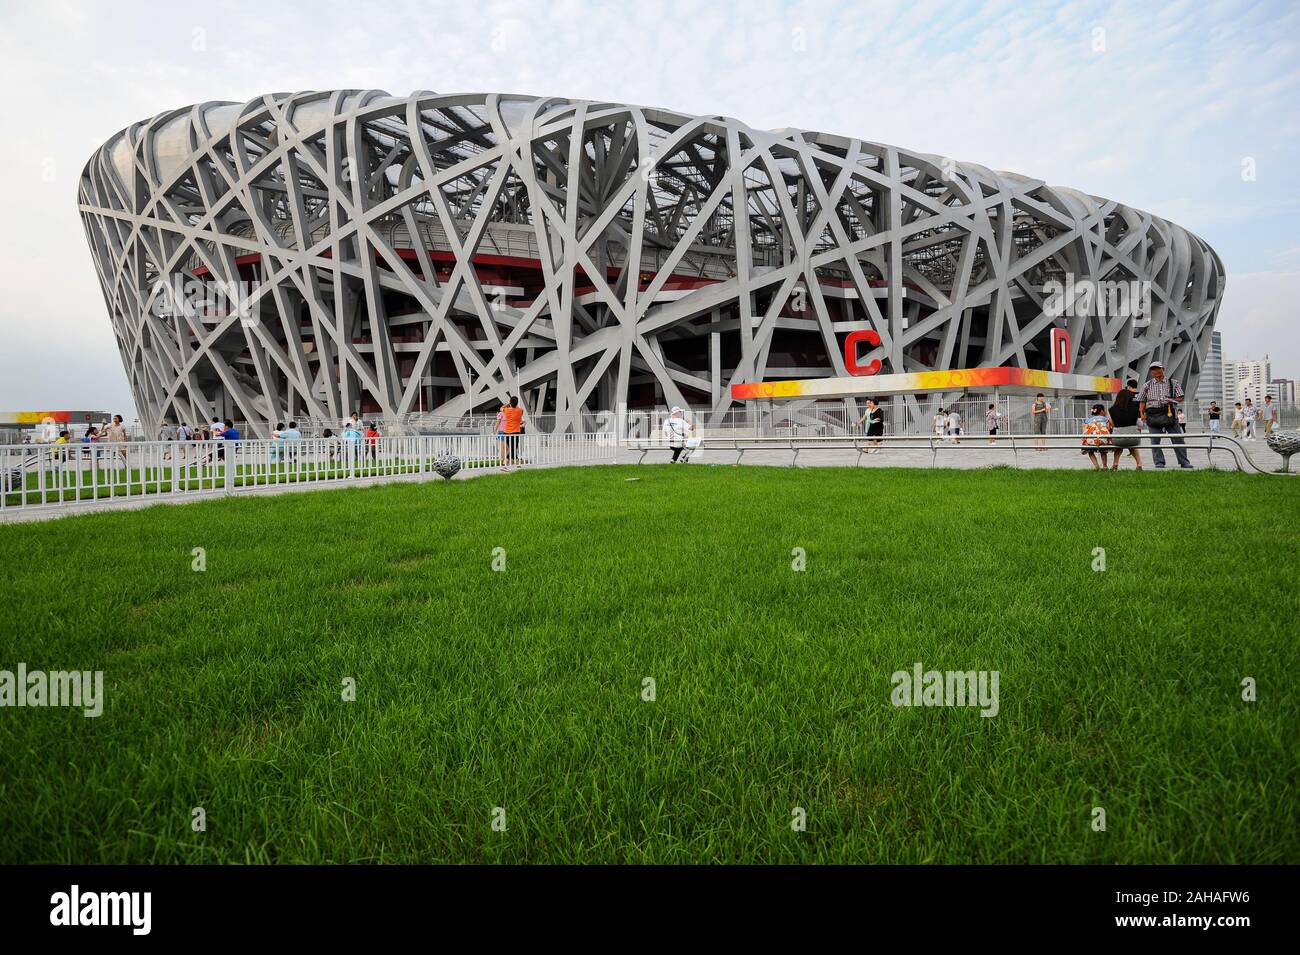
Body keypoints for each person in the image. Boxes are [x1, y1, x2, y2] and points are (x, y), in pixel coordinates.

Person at [1137, 361, 1192, 469]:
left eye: (1158, 368)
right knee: (1155, 440)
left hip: (1170, 414)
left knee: (1178, 439)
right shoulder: (1146, 385)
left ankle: (1184, 462)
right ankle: (1159, 462)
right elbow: (1142, 400)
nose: (1156, 371)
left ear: (1163, 369)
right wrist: (1142, 414)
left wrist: (1171, 400)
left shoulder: (1173, 382)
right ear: (1151, 372)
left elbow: (1181, 397)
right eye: (1153, 369)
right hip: (1153, 415)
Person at [1107, 380, 1144, 470]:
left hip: (1117, 439)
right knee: (1133, 447)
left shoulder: (1112, 409)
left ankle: (1115, 464)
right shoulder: (1135, 409)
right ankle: (1139, 464)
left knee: (1118, 448)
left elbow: (1111, 423)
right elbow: (1140, 424)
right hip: (1133, 439)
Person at [1081, 403, 1112, 470]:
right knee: (1103, 452)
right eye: (1104, 410)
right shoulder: (1105, 419)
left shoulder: (1088, 420)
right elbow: (1108, 428)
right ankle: (1105, 466)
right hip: (1102, 440)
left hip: (1091, 441)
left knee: (1090, 452)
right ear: (1101, 411)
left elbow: (1085, 431)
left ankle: (1096, 466)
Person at [501, 396, 524, 470]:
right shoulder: (520, 410)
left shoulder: (506, 410)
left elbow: (501, 408)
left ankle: (513, 464)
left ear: (510, 402)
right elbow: (519, 410)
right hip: (516, 431)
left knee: (512, 448)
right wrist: (514, 404)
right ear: (517, 403)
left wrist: (507, 404)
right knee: (513, 448)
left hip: (507, 432)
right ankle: (512, 464)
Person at [494, 402, 508, 469]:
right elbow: (497, 423)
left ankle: (503, 460)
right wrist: (494, 431)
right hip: (501, 432)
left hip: (507, 432)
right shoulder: (501, 414)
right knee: (503, 447)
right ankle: (502, 461)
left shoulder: (508, 414)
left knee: (507, 448)